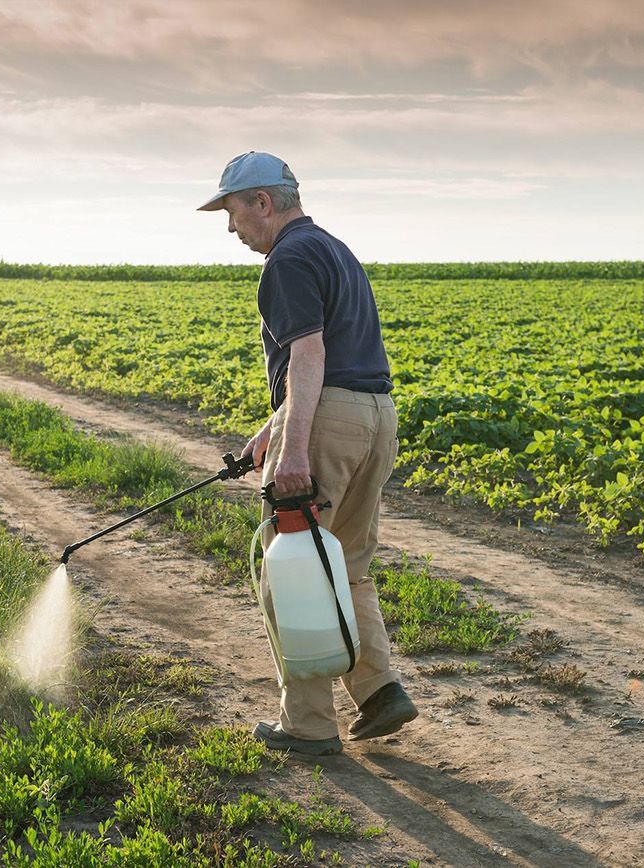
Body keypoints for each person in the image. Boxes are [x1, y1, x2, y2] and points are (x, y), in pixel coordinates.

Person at [198, 151, 417, 755]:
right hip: (374, 417)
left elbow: (310, 357)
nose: (231, 227)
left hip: (327, 424)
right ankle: (379, 693)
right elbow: (339, 357)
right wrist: (275, 426)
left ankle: (310, 726)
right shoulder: (333, 249)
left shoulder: (286, 261)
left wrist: (294, 450)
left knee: (289, 569)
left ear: (263, 203)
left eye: (234, 211)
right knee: (343, 563)